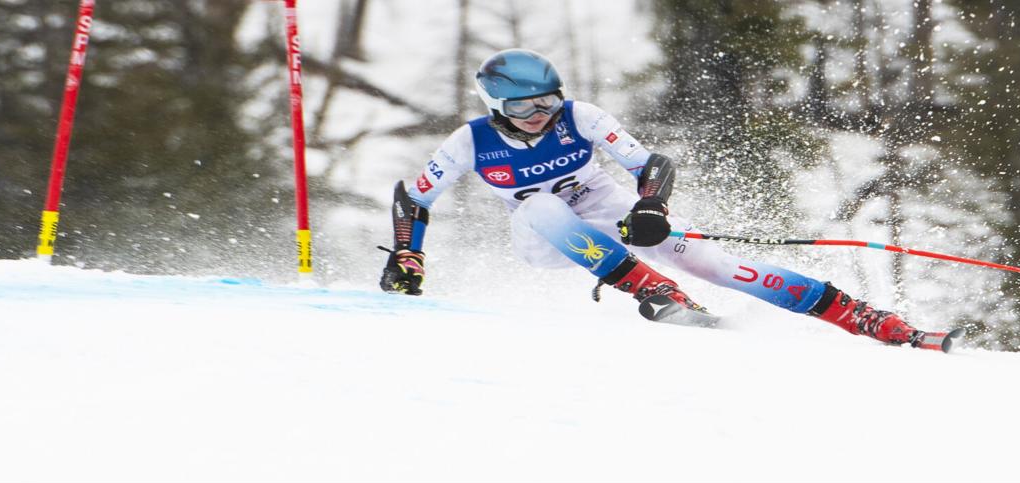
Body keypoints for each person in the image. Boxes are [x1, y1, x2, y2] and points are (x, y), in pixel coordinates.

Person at [379, 49, 955, 352]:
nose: (543, 116)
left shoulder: (580, 118)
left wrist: (650, 206)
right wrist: (408, 256)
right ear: (496, 105)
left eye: (549, 102)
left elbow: (649, 164)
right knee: (536, 206)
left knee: (706, 257)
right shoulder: (469, 143)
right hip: (545, 235)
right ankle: (651, 290)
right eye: (526, 108)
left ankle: (864, 318)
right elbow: (414, 197)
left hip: (601, 204)